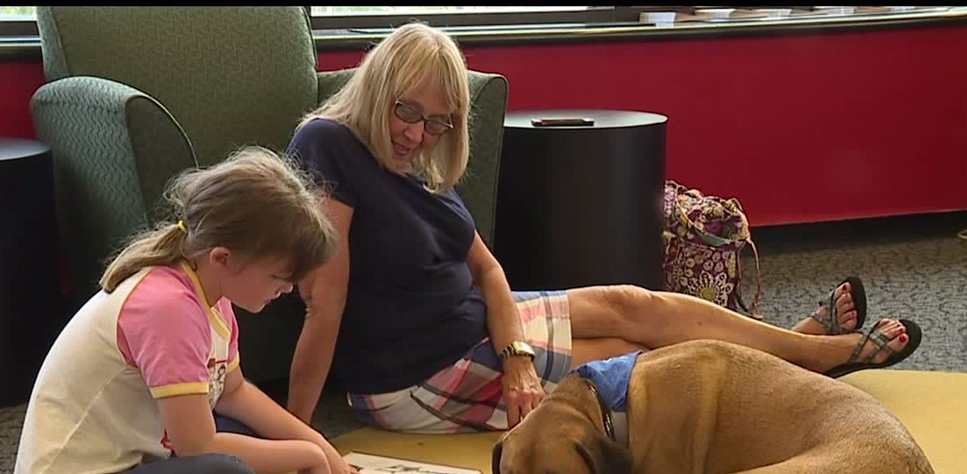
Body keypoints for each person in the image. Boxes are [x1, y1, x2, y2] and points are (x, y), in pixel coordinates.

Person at [282, 22, 923, 434]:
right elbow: (324, 304)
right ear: (378, 87)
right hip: (416, 374)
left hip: (474, 324)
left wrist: (516, 358)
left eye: (437, 124)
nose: (418, 135)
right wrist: (299, 434)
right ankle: (808, 362)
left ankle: (796, 343)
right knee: (649, 360)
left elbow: (489, 271)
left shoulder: (411, 167)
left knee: (632, 303)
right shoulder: (330, 144)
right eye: (407, 112)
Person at [7, 147, 382, 474]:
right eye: (279, 277)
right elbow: (198, 446)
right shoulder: (168, 307)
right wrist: (306, 455)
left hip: (138, 457)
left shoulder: (209, 291)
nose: (287, 290)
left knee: (244, 430)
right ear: (223, 257)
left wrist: (317, 443)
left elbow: (234, 391)